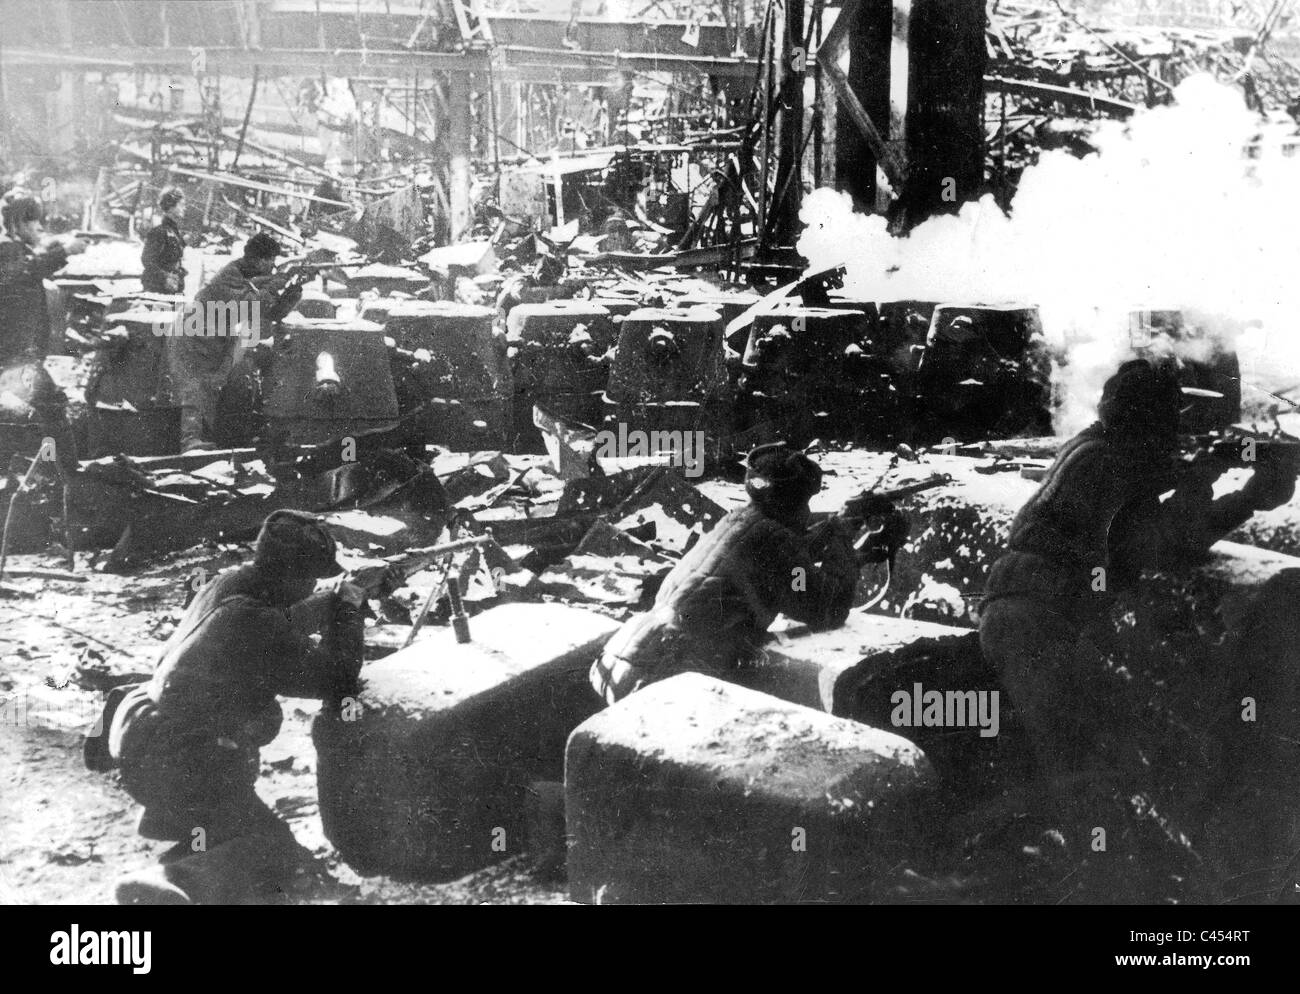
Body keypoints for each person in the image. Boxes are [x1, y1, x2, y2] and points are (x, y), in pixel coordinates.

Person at [979, 357, 1297, 898]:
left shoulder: (1093, 447)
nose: (1174, 433)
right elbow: (1166, 546)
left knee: (1072, 752)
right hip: (1033, 623)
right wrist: (1240, 497)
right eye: (1167, 422)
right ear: (1145, 422)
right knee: (1075, 766)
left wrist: (1203, 471)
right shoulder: (1109, 466)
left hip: (1023, 612)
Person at [104, 510, 366, 905]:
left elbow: (280, 619)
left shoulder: (230, 582)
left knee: (255, 838)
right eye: (310, 577)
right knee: (268, 850)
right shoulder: (256, 621)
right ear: (291, 576)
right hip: (182, 756)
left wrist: (332, 601)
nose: (314, 583)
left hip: (142, 731)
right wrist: (348, 608)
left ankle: (190, 867)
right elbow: (337, 677)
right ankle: (168, 882)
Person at [591, 442, 867, 704]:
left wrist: (831, 529)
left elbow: (779, 563)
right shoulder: (776, 539)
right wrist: (841, 536)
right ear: (795, 502)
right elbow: (829, 609)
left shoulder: (735, 520)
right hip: (669, 674)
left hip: (625, 656)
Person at [169, 232, 303, 452]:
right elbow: (250, 305)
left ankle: (228, 435)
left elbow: (271, 314)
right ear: (258, 260)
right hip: (192, 333)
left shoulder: (252, 278)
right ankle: (190, 440)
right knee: (197, 383)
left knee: (227, 380)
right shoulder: (229, 276)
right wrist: (276, 283)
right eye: (270, 260)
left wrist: (293, 291)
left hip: (218, 335)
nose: (272, 265)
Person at [0, 196, 85, 470]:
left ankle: (45, 473)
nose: (39, 227)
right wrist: (66, 250)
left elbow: (33, 264)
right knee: (53, 412)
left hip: (17, 357)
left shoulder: (14, 248)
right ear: (16, 223)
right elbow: (28, 269)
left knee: (41, 415)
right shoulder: (8, 249)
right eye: (33, 220)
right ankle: (68, 475)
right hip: (18, 359)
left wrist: (59, 247)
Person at [140, 187, 187, 293]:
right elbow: (147, 260)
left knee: (182, 309)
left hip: (173, 287)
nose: (184, 208)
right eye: (181, 204)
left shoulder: (174, 232)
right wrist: (166, 277)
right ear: (171, 206)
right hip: (158, 289)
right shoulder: (159, 232)